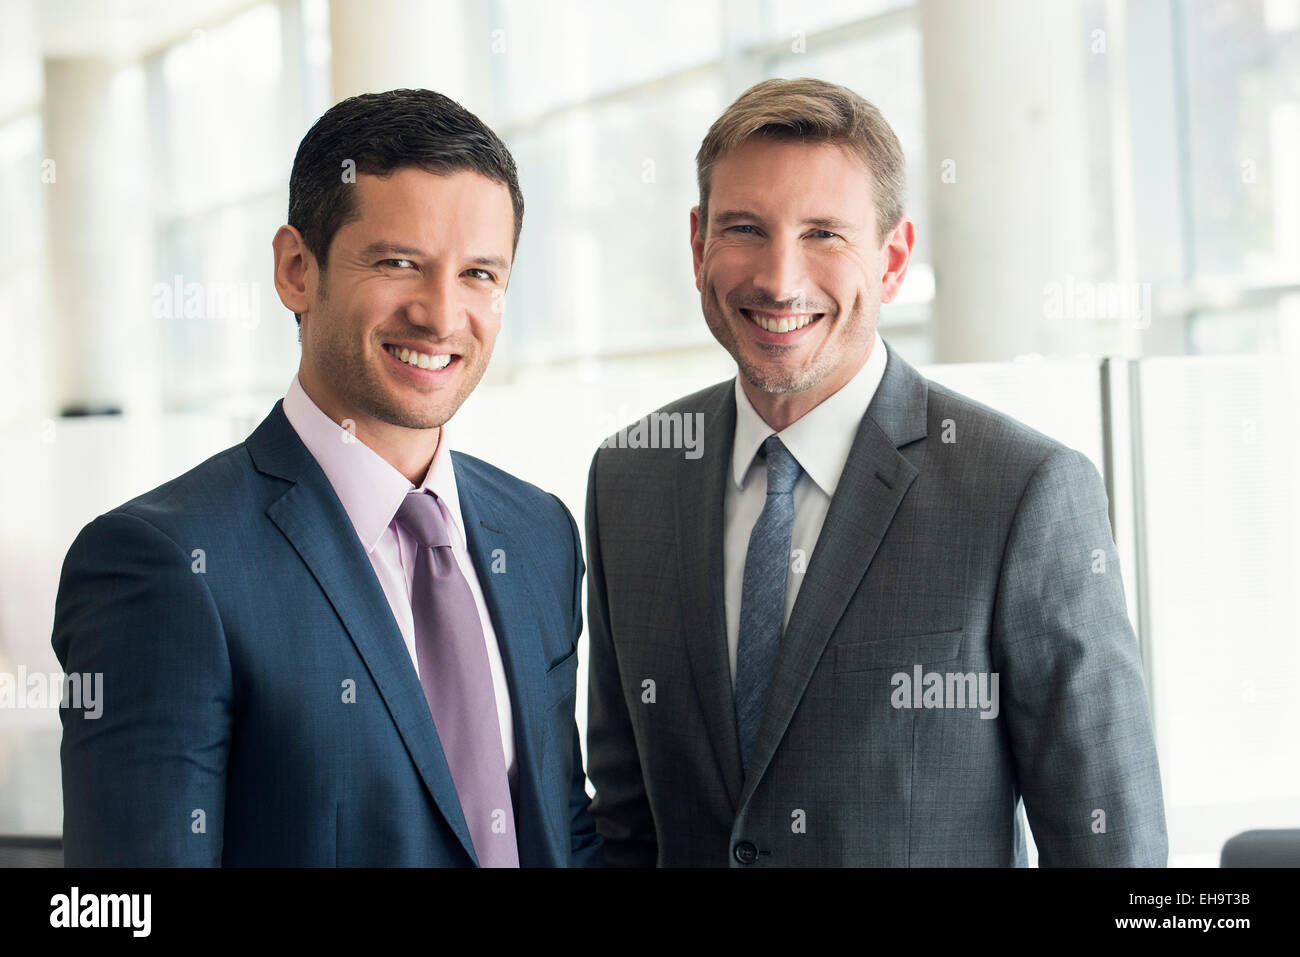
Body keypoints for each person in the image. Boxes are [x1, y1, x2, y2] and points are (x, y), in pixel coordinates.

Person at [584, 77, 1167, 867]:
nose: (779, 279)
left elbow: (1114, 851)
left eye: (824, 233)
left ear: (892, 261)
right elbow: (627, 826)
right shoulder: (630, 479)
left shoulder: (1021, 493)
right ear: (697, 247)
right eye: (745, 228)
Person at [53, 89, 601, 867]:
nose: (442, 315)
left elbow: (561, 828)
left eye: (479, 273)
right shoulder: (163, 564)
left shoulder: (539, 532)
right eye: (399, 262)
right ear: (295, 269)